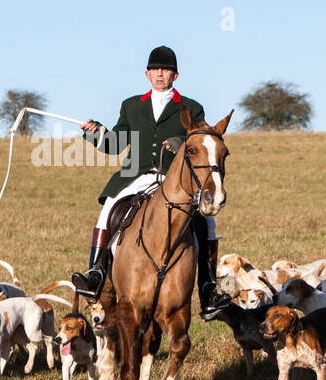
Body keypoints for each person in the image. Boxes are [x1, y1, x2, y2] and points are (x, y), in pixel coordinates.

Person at [70, 45, 229, 318]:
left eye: (166, 70)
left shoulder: (191, 107)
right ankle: (95, 272)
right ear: (147, 74)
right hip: (136, 175)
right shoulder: (131, 106)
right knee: (107, 210)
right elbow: (114, 144)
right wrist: (94, 133)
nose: (160, 74)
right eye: (155, 69)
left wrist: (180, 142)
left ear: (175, 75)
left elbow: (200, 139)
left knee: (208, 223)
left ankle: (208, 287)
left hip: (174, 180)